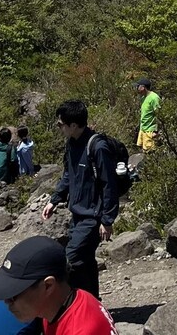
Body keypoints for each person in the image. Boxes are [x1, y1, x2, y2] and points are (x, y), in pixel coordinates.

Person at [42, 100, 119, 300]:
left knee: (71, 259)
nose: (59, 128)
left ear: (73, 125)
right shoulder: (72, 144)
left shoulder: (97, 146)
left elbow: (109, 184)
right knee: (85, 262)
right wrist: (55, 199)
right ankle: (93, 304)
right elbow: (69, 175)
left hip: (92, 216)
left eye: (61, 124)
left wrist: (107, 219)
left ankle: (69, 305)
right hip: (77, 214)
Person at [0, 235, 119, 334]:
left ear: (48, 286)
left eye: (14, 294)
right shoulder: (65, 304)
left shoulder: (82, 329)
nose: (7, 302)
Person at [135, 79, 161, 151]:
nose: (136, 88)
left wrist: (156, 131)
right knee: (142, 149)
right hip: (143, 129)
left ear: (143, 87)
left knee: (150, 151)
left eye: (138, 86)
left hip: (150, 130)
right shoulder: (143, 98)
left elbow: (159, 115)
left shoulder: (154, 98)